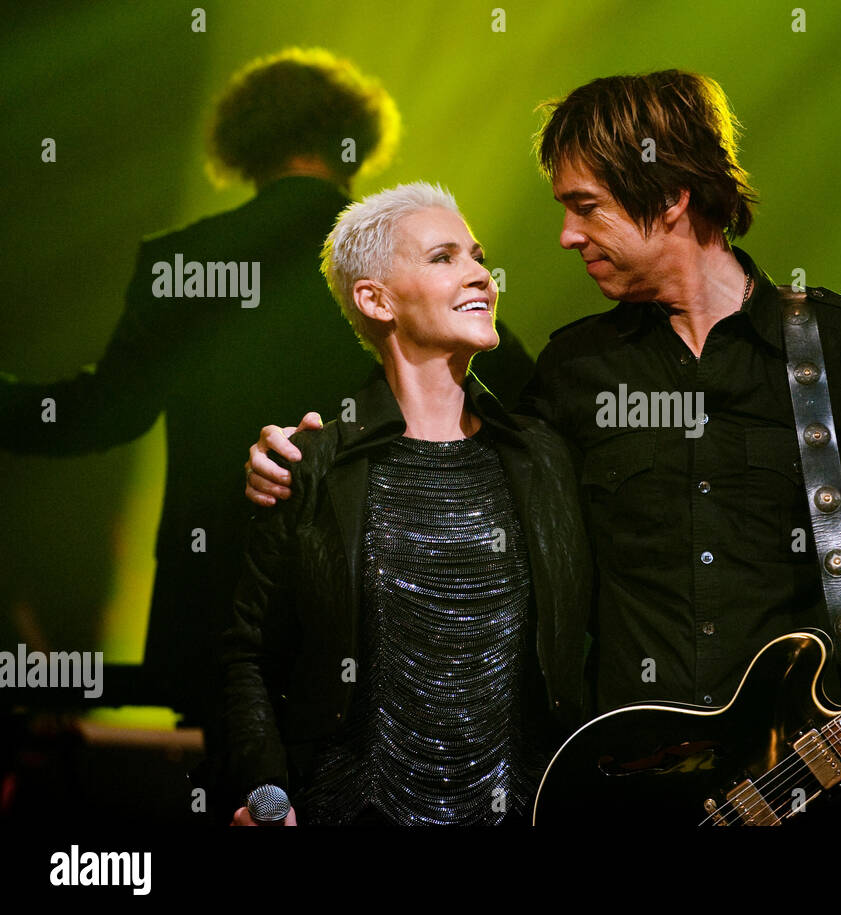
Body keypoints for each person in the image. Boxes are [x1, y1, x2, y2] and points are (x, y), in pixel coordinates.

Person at [248, 70, 841, 820]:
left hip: (810, 780)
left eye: (586, 207)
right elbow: (446, 453)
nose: (567, 234)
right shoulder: (574, 371)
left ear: (671, 196)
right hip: (624, 790)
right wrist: (301, 456)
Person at [0, 48, 535, 754]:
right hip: (387, 604)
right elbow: (524, 399)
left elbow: (101, 412)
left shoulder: (184, 261)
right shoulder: (405, 265)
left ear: (242, 145)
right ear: (355, 141)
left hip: (221, 607)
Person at [224, 181, 590, 825]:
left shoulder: (541, 456)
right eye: (444, 257)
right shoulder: (311, 464)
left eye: (477, 256)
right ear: (376, 298)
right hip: (352, 810)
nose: (480, 273)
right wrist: (265, 792)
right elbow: (248, 653)